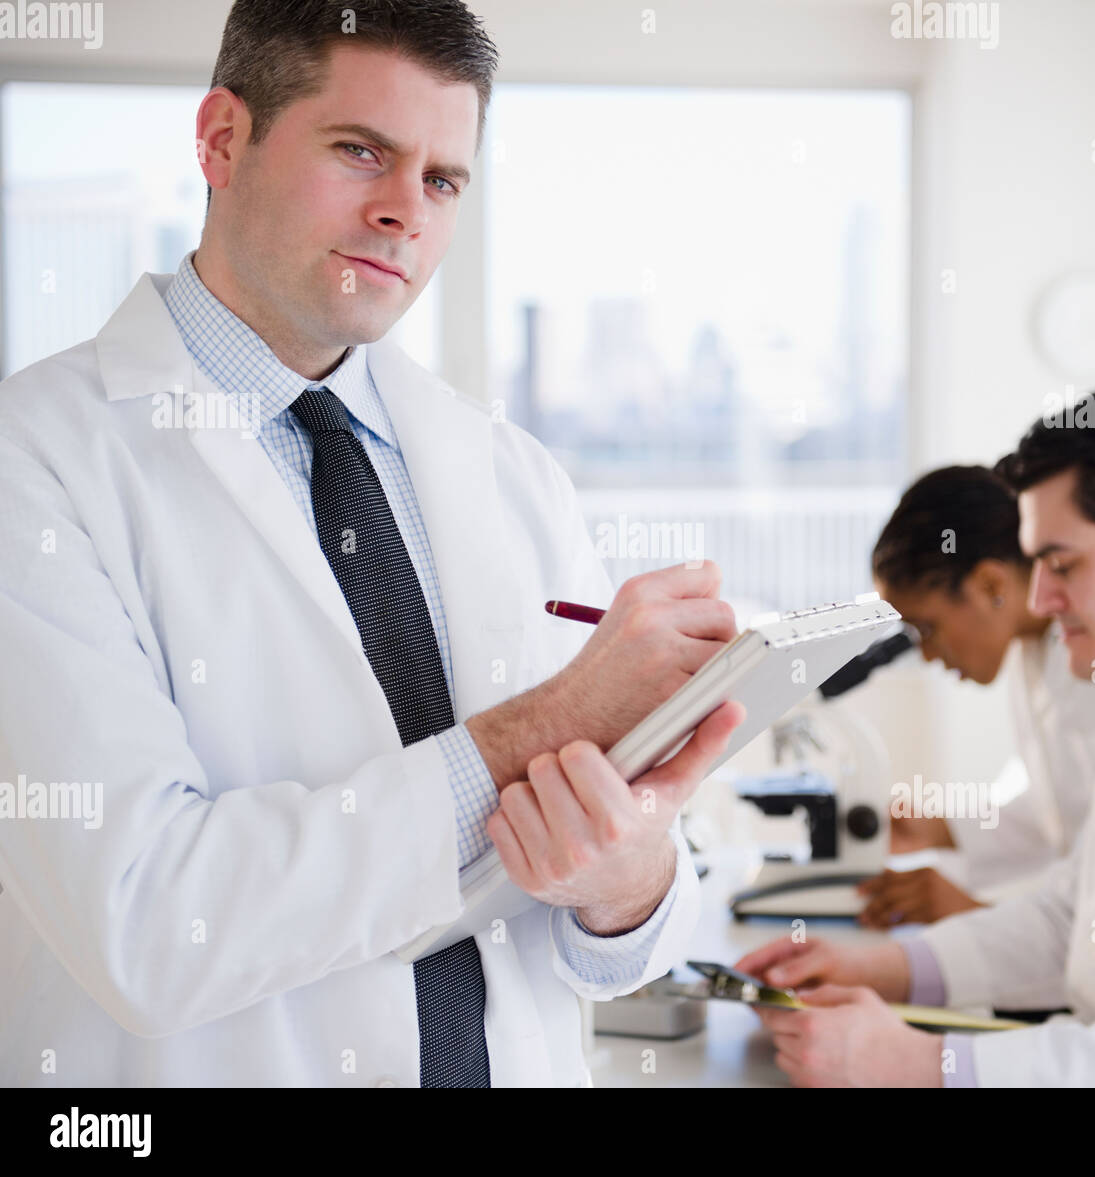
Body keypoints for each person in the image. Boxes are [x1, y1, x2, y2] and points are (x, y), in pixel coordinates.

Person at [0, 0, 745, 1087]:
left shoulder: (509, 471)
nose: (406, 211)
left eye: (443, 181)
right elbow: (148, 924)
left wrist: (625, 881)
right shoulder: (39, 460)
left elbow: (605, 957)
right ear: (220, 139)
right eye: (361, 152)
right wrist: (547, 724)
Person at [736, 383, 1095, 1086]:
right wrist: (889, 965)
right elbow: (1082, 911)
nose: (1036, 601)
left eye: (1061, 566)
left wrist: (927, 1065)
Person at [862, 466, 1095, 928]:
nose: (926, 654)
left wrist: (970, 913)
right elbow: (1056, 816)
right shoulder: (1035, 650)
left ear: (990, 585)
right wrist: (939, 828)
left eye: (927, 628)